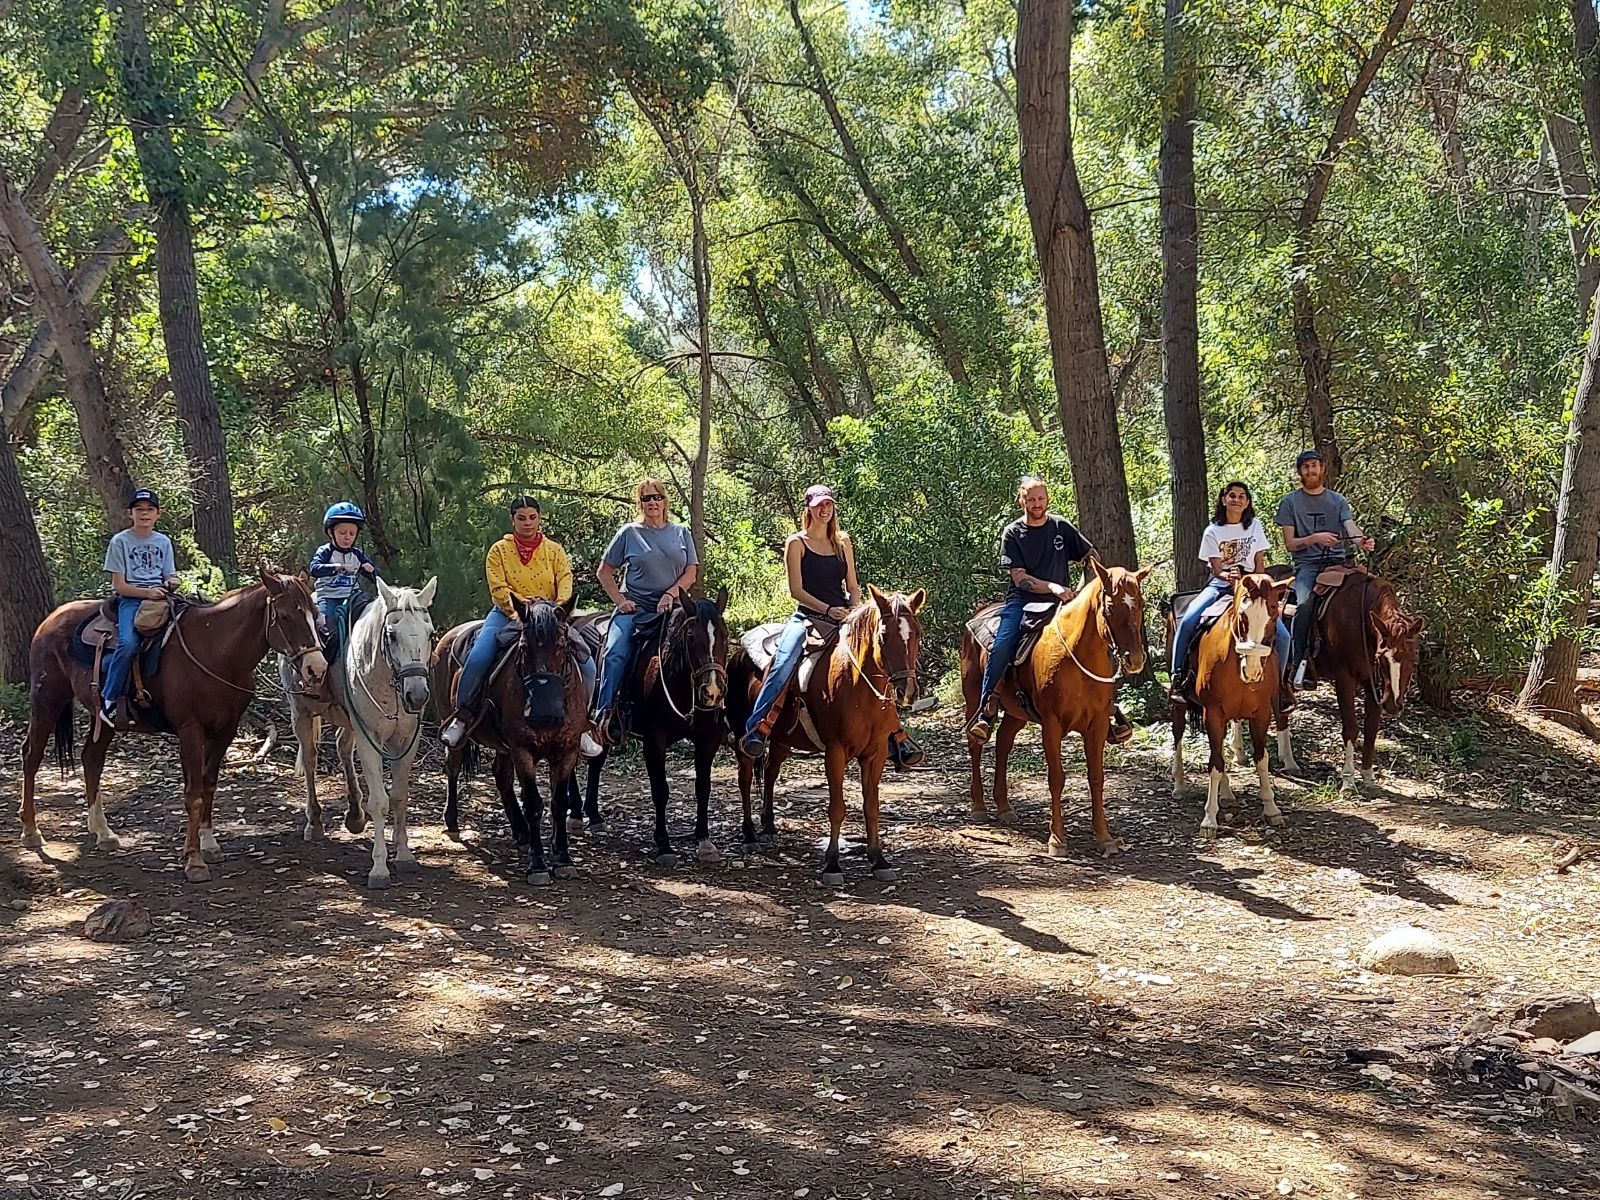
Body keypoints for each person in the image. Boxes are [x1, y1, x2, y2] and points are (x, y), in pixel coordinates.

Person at [736, 484, 925, 769]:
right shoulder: (796, 543)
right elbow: (796, 590)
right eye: (818, 505)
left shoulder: (842, 541)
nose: (824, 510)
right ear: (808, 508)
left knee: (878, 661)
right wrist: (826, 609)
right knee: (783, 661)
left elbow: (852, 584)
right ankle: (759, 726)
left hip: (844, 617)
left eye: (828, 505)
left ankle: (895, 735)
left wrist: (855, 610)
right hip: (808, 617)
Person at [971, 477, 1132, 743]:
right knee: (1001, 644)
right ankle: (987, 708)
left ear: (1047, 499)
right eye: (1031, 499)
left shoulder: (1060, 526)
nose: (1037, 504)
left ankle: (1109, 708)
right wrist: (1053, 587)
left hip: (1063, 602)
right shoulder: (1013, 532)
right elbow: (1019, 577)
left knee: (1098, 639)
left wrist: (1080, 589)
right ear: (1022, 501)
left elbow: (1091, 557)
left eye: (1041, 498)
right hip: (1022, 601)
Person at [439, 495, 600, 756]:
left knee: (588, 664)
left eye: (532, 517)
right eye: (521, 518)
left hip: (550, 617)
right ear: (512, 520)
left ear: (539, 518)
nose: (528, 523)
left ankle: (581, 725)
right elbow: (498, 588)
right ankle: (463, 716)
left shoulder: (555, 551)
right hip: (510, 613)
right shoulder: (499, 551)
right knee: (478, 658)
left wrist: (555, 609)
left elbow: (565, 580)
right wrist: (522, 607)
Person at [592, 478, 699, 745]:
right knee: (615, 651)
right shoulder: (629, 533)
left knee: (703, 645)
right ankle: (604, 714)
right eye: (646, 499)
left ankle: (708, 713)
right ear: (640, 503)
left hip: (672, 606)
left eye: (657, 497)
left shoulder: (680, 532)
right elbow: (604, 571)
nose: (652, 502)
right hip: (635, 607)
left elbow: (691, 572)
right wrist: (620, 601)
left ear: (665, 501)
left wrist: (670, 594)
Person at [1169, 481, 1290, 699]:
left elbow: (1259, 562)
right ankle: (1177, 677)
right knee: (1188, 620)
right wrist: (1229, 577)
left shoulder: (1255, 526)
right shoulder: (1212, 531)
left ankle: (1280, 687)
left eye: (1241, 496)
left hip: (1253, 588)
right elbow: (1216, 569)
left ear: (1247, 502)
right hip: (1221, 585)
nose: (1236, 499)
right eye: (1232, 495)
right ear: (1224, 500)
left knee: (1283, 635)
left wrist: (1260, 584)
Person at [1275, 450, 1374, 687]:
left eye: (1314, 466)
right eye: (1306, 467)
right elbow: (1290, 543)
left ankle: (1370, 662)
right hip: (1308, 564)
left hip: (1338, 563)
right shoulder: (1290, 502)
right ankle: (1299, 663)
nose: (1311, 470)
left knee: (1370, 595)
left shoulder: (1337, 500)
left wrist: (1362, 541)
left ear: (1322, 469)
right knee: (1305, 603)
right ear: (1300, 472)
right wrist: (1314, 538)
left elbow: (1349, 526)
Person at [100, 487, 182, 725]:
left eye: (149, 510)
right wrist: (147, 592)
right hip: (133, 599)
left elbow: (169, 573)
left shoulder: (163, 541)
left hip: (162, 597)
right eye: (139, 510)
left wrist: (172, 581)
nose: (144, 514)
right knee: (128, 643)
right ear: (130, 514)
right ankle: (110, 698)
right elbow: (119, 585)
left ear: (159, 514)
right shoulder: (120, 542)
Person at [309, 502, 382, 665]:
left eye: (351, 533)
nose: (347, 537)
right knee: (328, 633)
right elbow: (314, 569)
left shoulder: (357, 554)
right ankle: (325, 671)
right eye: (342, 532)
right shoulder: (325, 551)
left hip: (352, 597)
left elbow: (377, 578)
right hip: (328, 597)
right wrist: (338, 567)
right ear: (331, 532)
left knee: (371, 618)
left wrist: (371, 570)